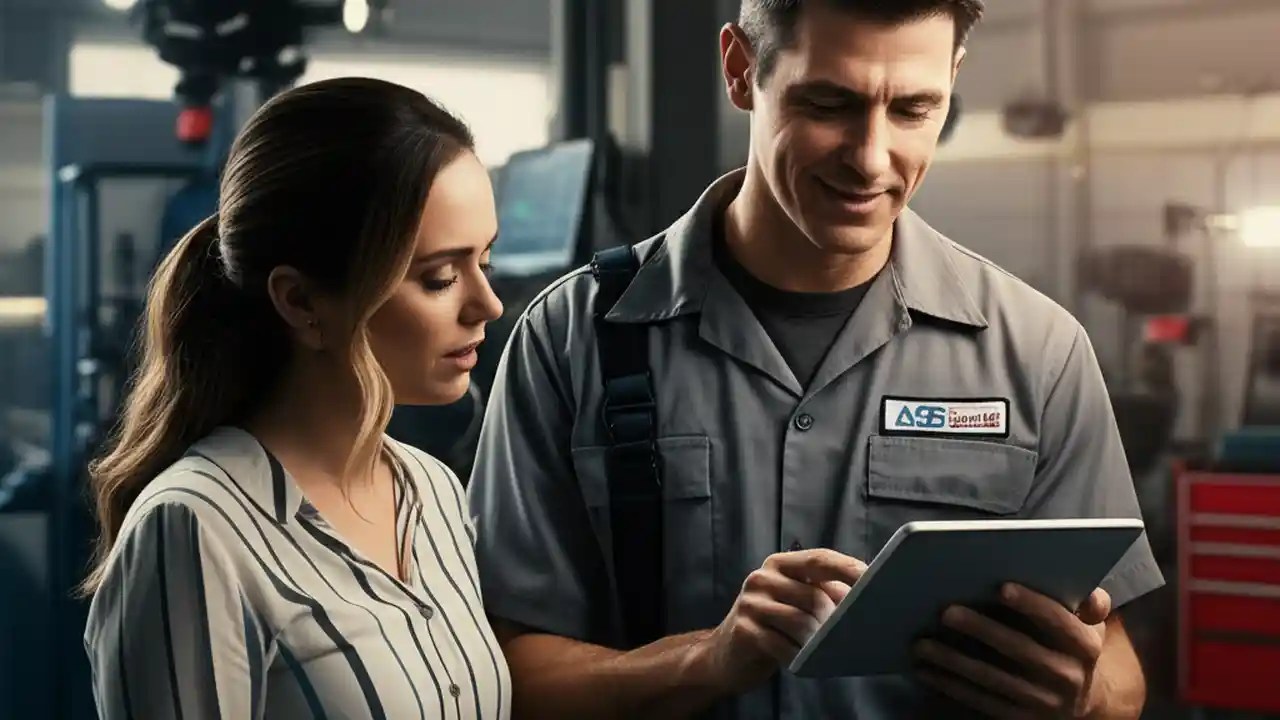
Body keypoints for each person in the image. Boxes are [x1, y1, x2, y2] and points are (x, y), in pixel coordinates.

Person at [467, 1, 1165, 718]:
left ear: (953, 80)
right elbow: (505, 679)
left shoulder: (1038, 353)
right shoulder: (571, 339)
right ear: (742, 70)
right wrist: (706, 661)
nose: (870, 158)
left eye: (915, 109)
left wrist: (1085, 696)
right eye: (830, 103)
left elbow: (1117, 668)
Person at [81, 78, 510, 720]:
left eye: (486, 262)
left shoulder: (436, 493)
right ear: (302, 301)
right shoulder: (195, 530)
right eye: (440, 277)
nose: (488, 305)